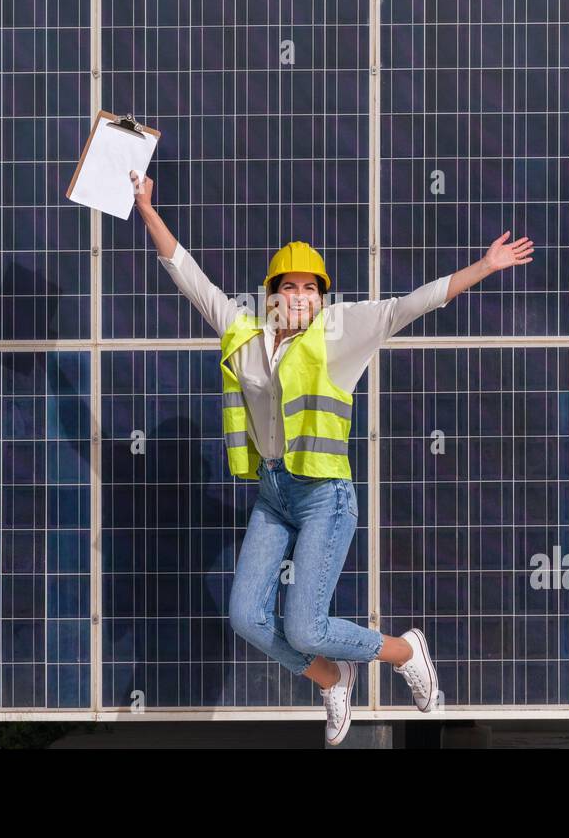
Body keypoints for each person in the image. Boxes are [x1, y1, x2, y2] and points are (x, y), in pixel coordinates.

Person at [132, 170, 534, 745]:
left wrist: (484, 267)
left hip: (325, 497)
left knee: (305, 624)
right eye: (288, 287)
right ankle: (331, 676)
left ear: (320, 295)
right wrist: (147, 208)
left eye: (309, 288)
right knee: (246, 617)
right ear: (271, 295)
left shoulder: (340, 332)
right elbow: (187, 274)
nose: (299, 297)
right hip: (273, 494)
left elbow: (407, 307)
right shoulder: (241, 335)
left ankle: (402, 650)